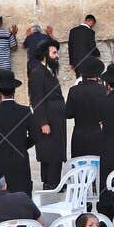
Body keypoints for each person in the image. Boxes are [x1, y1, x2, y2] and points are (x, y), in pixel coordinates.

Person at [0, 72, 35, 197]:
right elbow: (34, 136)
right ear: (14, 91)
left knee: (1, 196)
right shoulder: (25, 111)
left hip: (0, 160)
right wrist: (22, 145)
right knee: (21, 194)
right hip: (20, 159)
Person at [28, 38, 67, 190]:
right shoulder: (38, 73)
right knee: (50, 153)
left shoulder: (49, 72)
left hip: (56, 119)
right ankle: (51, 183)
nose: (57, 56)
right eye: (54, 53)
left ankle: (55, 182)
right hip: (49, 120)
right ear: (45, 55)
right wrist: (43, 122)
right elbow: (37, 100)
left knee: (56, 152)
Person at [65, 56, 106, 158]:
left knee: (80, 164)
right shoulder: (103, 90)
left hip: (79, 136)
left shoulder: (73, 90)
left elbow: (68, 114)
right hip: (98, 134)